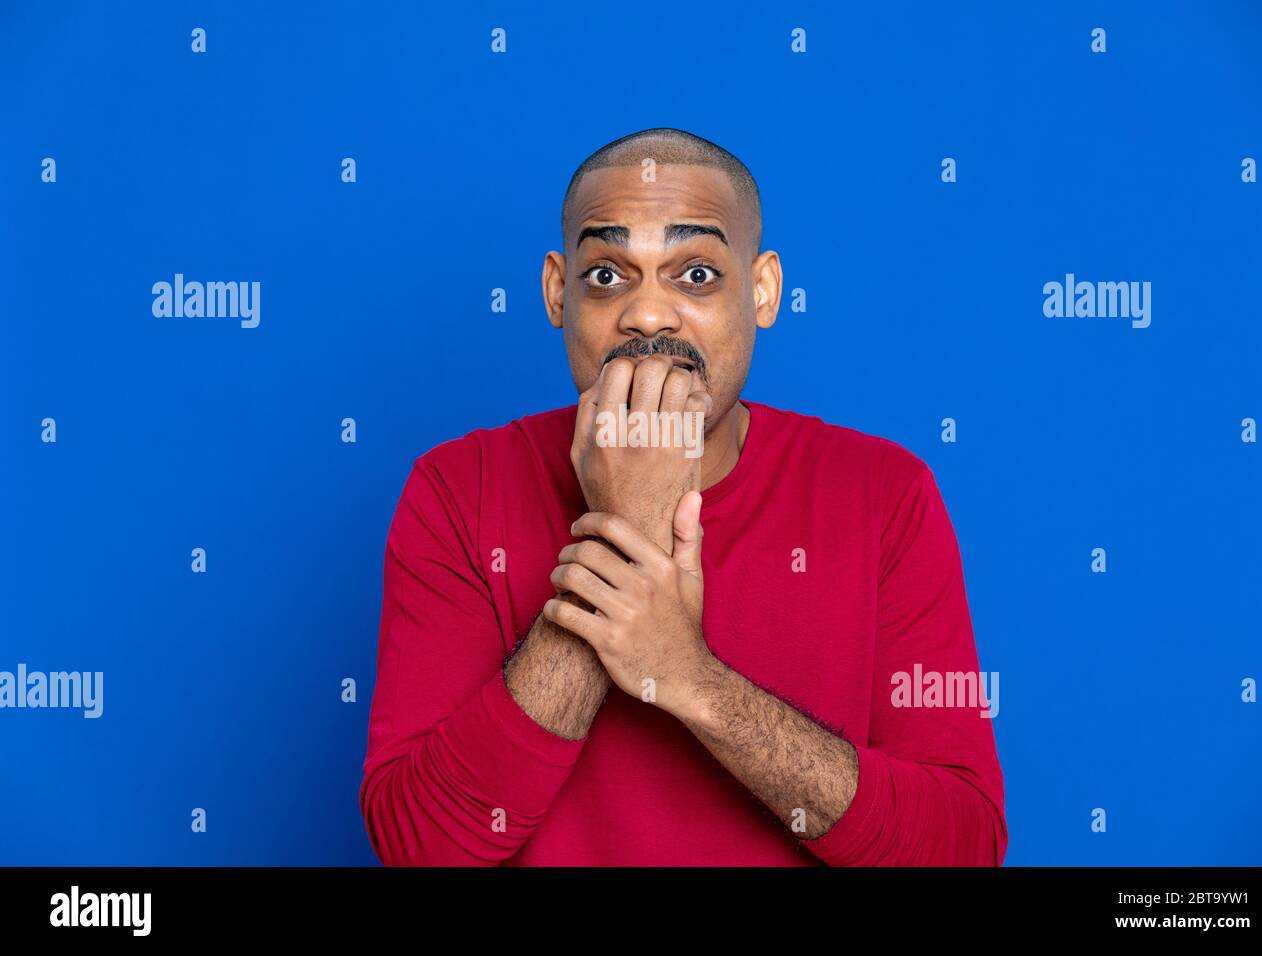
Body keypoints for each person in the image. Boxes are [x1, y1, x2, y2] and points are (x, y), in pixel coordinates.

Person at [358, 127, 1008, 866]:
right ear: (554, 292)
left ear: (762, 292)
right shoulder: (455, 489)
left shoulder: (887, 493)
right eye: (607, 275)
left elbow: (962, 845)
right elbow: (422, 845)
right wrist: (625, 525)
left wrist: (688, 677)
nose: (648, 315)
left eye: (695, 274)